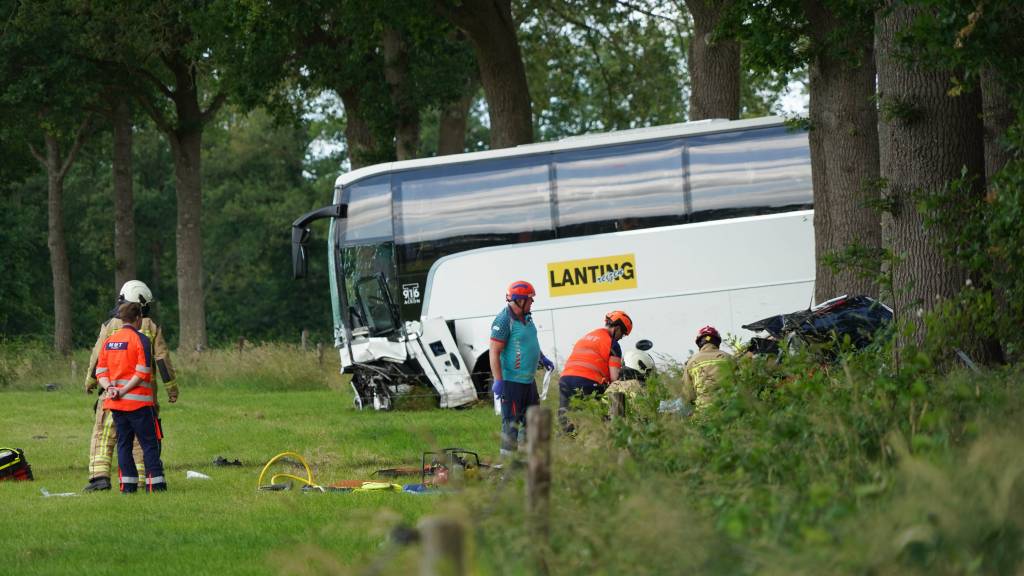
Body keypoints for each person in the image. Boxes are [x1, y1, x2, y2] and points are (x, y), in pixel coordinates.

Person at [83, 280, 177, 492]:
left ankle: (99, 477)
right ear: (142, 305)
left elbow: (98, 358)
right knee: (141, 440)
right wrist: (171, 388)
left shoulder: (110, 327)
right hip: (142, 397)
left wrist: (91, 381)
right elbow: (162, 361)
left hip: (112, 396)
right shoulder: (151, 327)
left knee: (103, 434)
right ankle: (142, 478)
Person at [96, 302, 167, 493]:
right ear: (138, 319)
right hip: (139, 404)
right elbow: (143, 371)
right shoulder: (141, 340)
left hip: (116, 404)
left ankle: (128, 486)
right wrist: (124, 389)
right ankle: (156, 485)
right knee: (149, 444)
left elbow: (100, 371)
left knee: (124, 445)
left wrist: (111, 388)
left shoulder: (110, 341)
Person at [489, 280, 554, 456]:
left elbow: (530, 341)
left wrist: (542, 357)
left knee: (532, 421)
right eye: (530, 299)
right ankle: (507, 465)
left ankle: (527, 460)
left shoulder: (527, 317)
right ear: (519, 300)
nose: (532, 302)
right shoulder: (504, 320)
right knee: (511, 423)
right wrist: (498, 380)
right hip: (512, 382)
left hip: (528, 381)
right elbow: (494, 352)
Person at [557, 311, 631, 431]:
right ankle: (610, 436)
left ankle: (569, 441)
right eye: (622, 335)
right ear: (617, 328)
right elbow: (614, 377)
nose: (620, 338)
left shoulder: (586, 337)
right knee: (605, 416)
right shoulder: (613, 344)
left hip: (565, 379)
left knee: (567, 420)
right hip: (588, 382)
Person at [681, 325, 733, 410]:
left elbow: (688, 395)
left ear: (699, 343)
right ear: (717, 342)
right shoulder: (728, 358)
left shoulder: (691, 362)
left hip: (703, 413)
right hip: (728, 410)